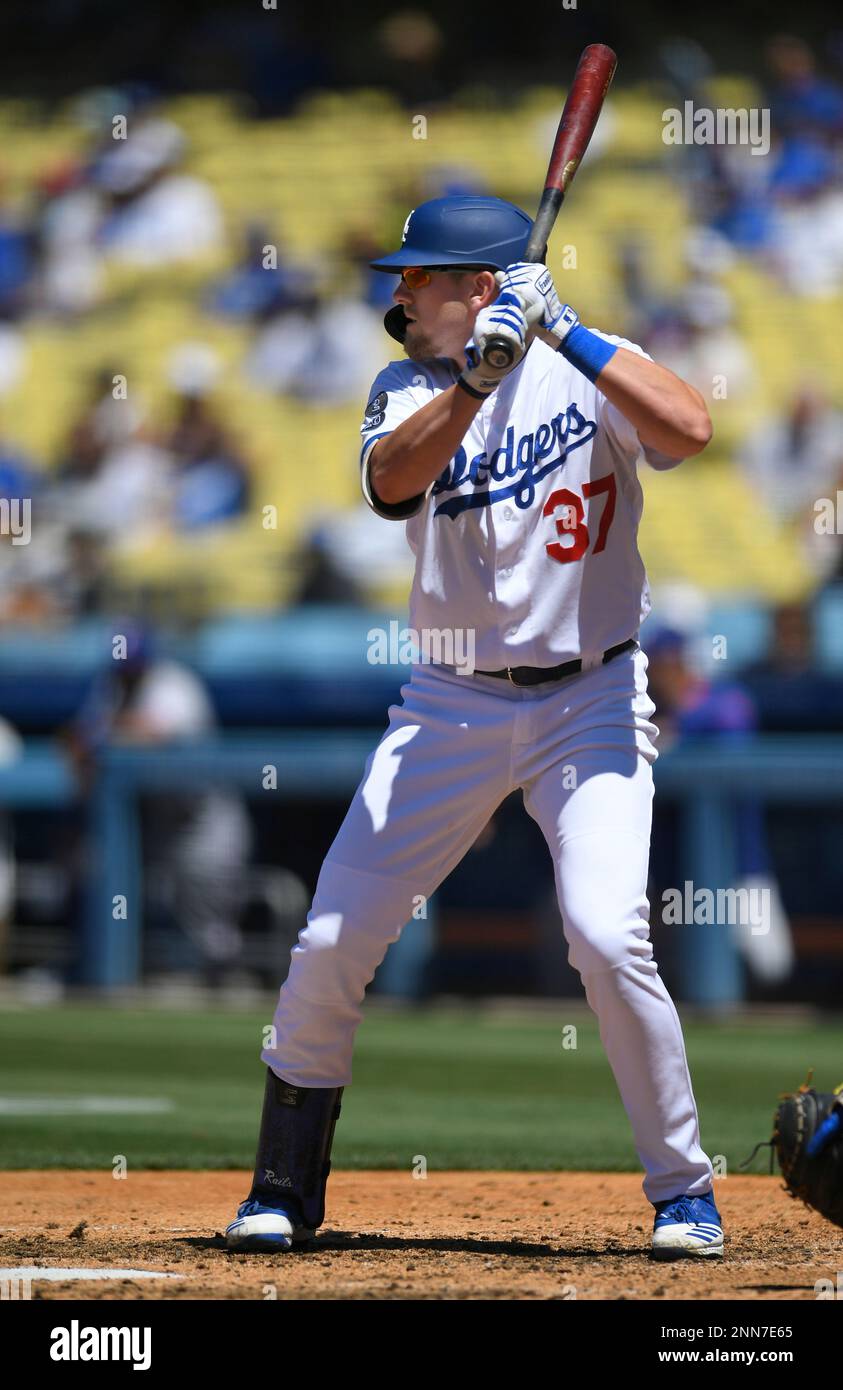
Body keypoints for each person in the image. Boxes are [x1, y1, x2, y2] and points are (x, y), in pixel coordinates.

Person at [225, 195, 722, 1260]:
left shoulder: (590, 363)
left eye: (422, 273)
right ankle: (281, 1187)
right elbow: (391, 485)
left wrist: (570, 331)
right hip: (449, 700)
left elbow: (690, 428)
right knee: (329, 938)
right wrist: (474, 380)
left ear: (482, 283)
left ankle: (685, 1191)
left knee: (604, 930)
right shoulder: (406, 385)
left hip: (590, 697)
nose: (399, 290)